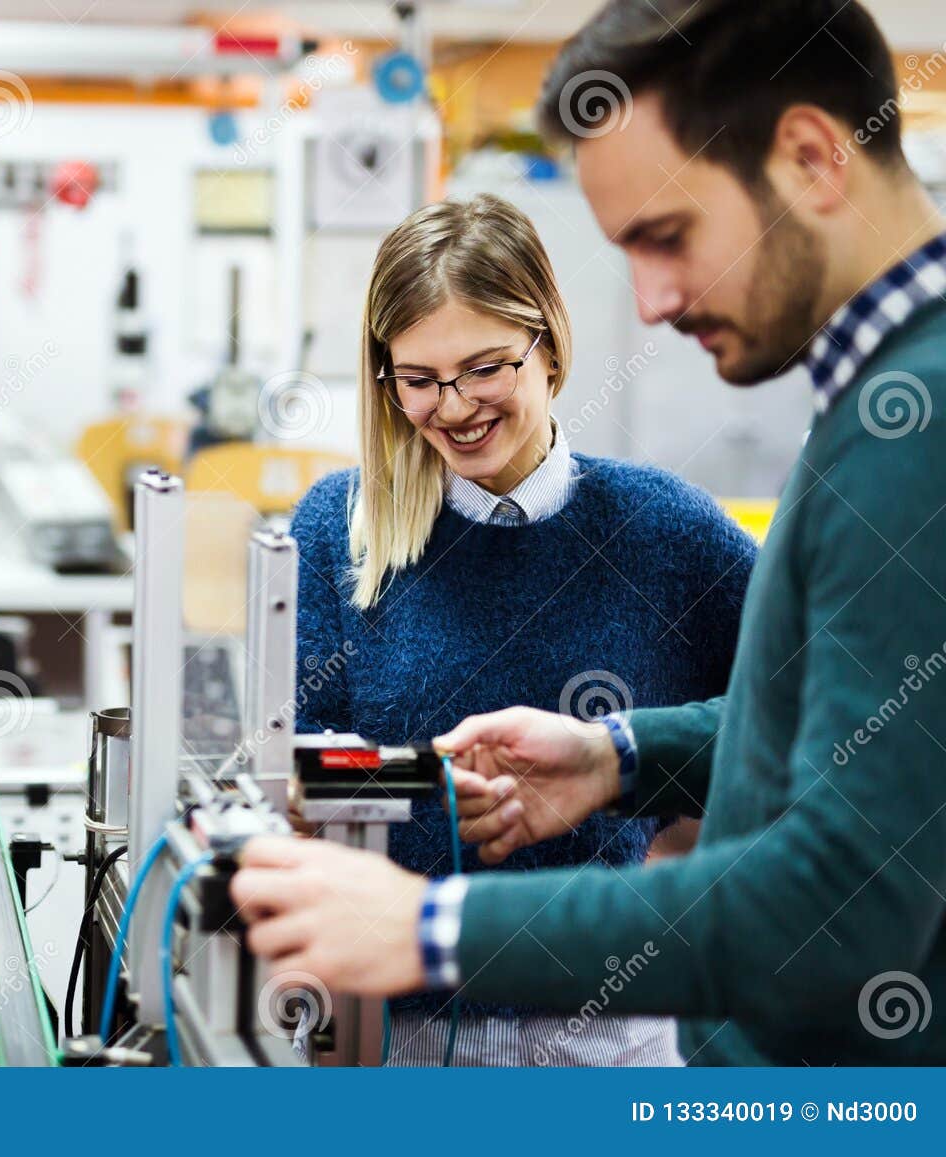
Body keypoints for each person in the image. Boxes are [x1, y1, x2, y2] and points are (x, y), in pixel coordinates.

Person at [232, 0, 946, 1065]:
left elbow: (839, 900)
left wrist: (434, 930)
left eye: (669, 236)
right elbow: (805, 734)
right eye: (421, 378)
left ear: (809, 157)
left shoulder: (910, 428)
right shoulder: (879, 409)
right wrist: (616, 752)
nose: (652, 303)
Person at [288, 193, 756, 1065]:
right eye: (418, 380)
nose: (453, 406)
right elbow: (294, 769)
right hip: (397, 1037)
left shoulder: (669, 535)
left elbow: (797, 732)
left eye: (484, 367)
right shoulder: (336, 531)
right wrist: (420, 782)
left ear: (549, 344)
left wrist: (616, 767)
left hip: (610, 1035)